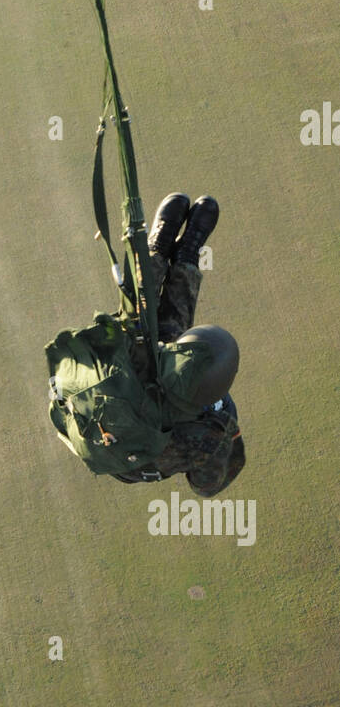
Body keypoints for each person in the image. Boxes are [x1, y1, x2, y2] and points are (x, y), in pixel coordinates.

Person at [114, 192, 245, 496]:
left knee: (136, 328)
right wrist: (223, 430)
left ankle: (161, 252)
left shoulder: (205, 431)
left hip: (130, 451)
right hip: (134, 434)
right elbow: (208, 485)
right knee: (159, 335)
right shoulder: (210, 432)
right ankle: (183, 255)